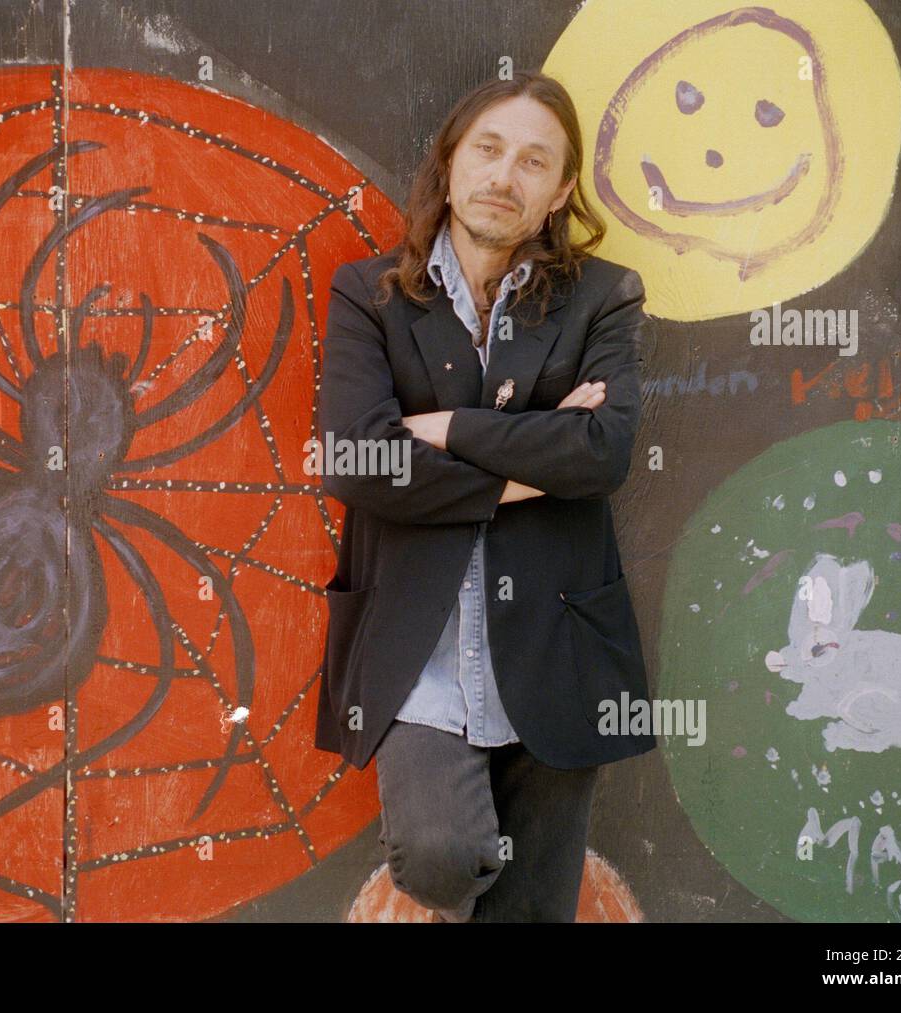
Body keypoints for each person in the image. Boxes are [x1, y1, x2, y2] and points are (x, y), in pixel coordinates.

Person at [313, 70, 657, 922]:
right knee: (440, 853)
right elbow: (357, 460)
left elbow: (603, 452)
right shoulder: (370, 295)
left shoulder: (603, 298)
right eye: (490, 150)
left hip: (560, 639)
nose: (506, 175)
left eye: (535, 162)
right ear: (452, 163)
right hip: (416, 647)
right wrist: (534, 462)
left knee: (534, 911)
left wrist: (439, 429)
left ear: (559, 193)